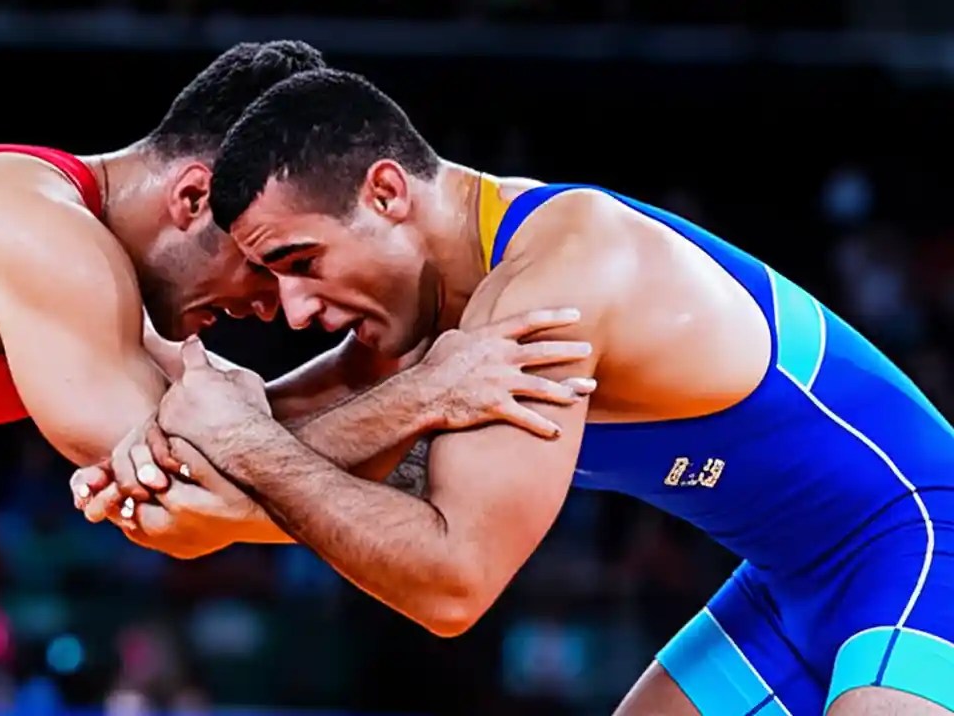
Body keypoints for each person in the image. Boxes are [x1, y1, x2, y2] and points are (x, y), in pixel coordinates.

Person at [0, 45, 592, 716]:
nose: (280, 306)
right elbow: (180, 480)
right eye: (266, 264)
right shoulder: (41, 242)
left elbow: (255, 439)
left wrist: (430, 447)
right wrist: (427, 393)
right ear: (194, 198)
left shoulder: (102, 293)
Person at [111, 68, 954, 716]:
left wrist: (242, 459)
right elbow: (237, 460)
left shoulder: (563, 275)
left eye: (301, 263)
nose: (294, 311)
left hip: (924, 544)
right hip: (790, 580)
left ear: (387, 193)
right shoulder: (415, 319)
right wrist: (171, 422)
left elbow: (452, 582)